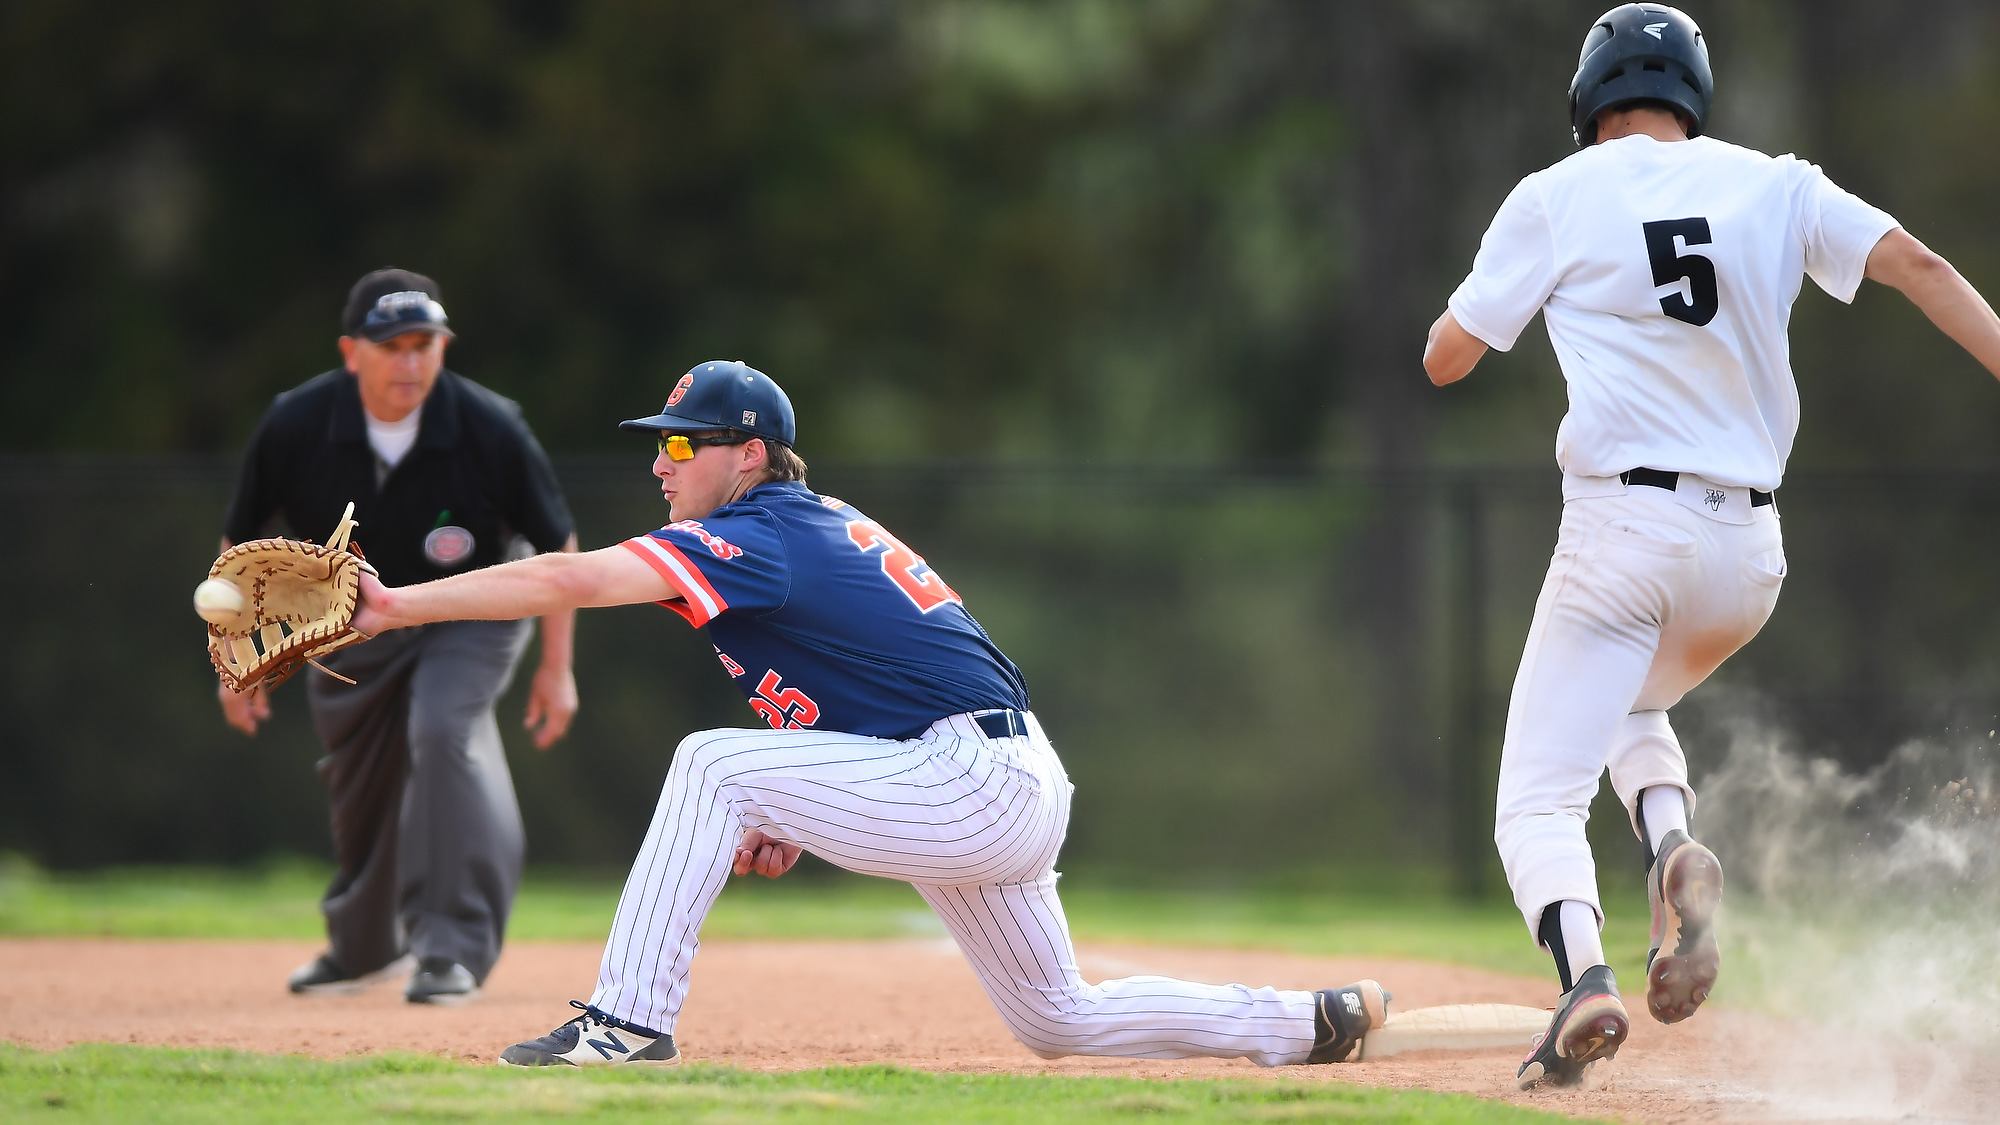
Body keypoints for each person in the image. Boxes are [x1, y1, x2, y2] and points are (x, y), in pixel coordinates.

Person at [349, 358, 1390, 1067]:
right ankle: (1307, 1024)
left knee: (713, 763)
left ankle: (625, 1027)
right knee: (1055, 1017)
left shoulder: (756, 534)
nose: (659, 464)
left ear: (744, 454)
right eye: (659, 447)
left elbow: (563, 579)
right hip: (993, 776)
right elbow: (874, 682)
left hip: (970, 780)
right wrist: (799, 810)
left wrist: (395, 604)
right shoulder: (796, 526)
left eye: (680, 447)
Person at [1424, 3, 2000, 1089]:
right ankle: (1667, 852)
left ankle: (1583, 984)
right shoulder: (1773, 182)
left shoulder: (1554, 195)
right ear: (1692, 95)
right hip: (1746, 557)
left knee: (1533, 801)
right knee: (1630, 705)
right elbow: (1917, 264)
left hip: (1624, 532)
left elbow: (1446, 361)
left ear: (1589, 103)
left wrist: (1483, 313)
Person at [219, 268, 581, 1003]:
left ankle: (450, 947)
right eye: (392, 346)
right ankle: (361, 947)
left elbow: (560, 544)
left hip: (470, 610)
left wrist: (557, 666)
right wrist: (239, 662)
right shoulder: (297, 422)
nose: (411, 361)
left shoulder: (488, 425)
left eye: (425, 343)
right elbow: (239, 540)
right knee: (361, 775)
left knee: (441, 727)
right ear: (352, 352)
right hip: (351, 624)